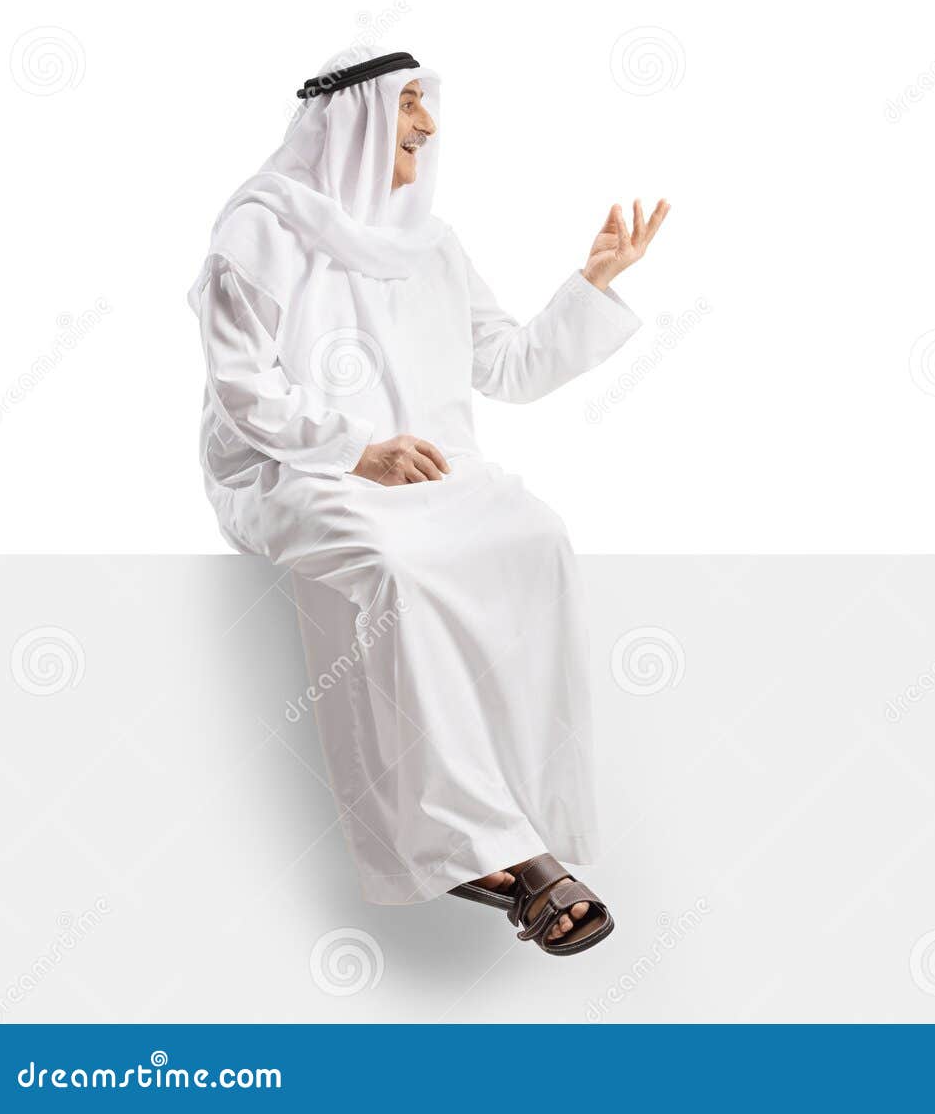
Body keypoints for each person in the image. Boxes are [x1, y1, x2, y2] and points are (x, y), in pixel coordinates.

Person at [189, 47, 668, 952]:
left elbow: (506, 366)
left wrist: (591, 285)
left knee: (537, 538)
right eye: (410, 103)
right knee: (399, 568)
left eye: (427, 104)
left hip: (425, 467)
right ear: (353, 115)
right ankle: (496, 854)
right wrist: (355, 451)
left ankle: (528, 804)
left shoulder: (431, 241)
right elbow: (241, 390)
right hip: (298, 471)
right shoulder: (260, 228)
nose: (427, 125)